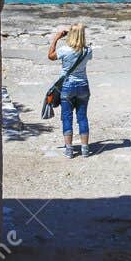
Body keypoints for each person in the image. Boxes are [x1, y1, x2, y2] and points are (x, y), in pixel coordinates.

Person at [49, 21, 93, 159]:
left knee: (67, 117)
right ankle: (85, 149)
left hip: (67, 86)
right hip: (83, 86)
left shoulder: (64, 50)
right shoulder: (88, 51)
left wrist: (56, 38)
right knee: (82, 117)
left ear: (71, 35)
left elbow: (50, 56)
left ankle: (69, 150)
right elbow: (82, 49)